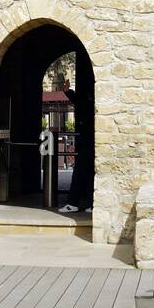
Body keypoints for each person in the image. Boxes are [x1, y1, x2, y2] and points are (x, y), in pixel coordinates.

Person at [59, 81, 94, 213]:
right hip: (91, 143)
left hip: (87, 143)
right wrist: (68, 92)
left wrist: (68, 92)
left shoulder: (88, 103)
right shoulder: (91, 101)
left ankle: (73, 203)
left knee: (80, 173)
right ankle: (90, 204)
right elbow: (80, 101)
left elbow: (81, 102)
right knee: (90, 174)